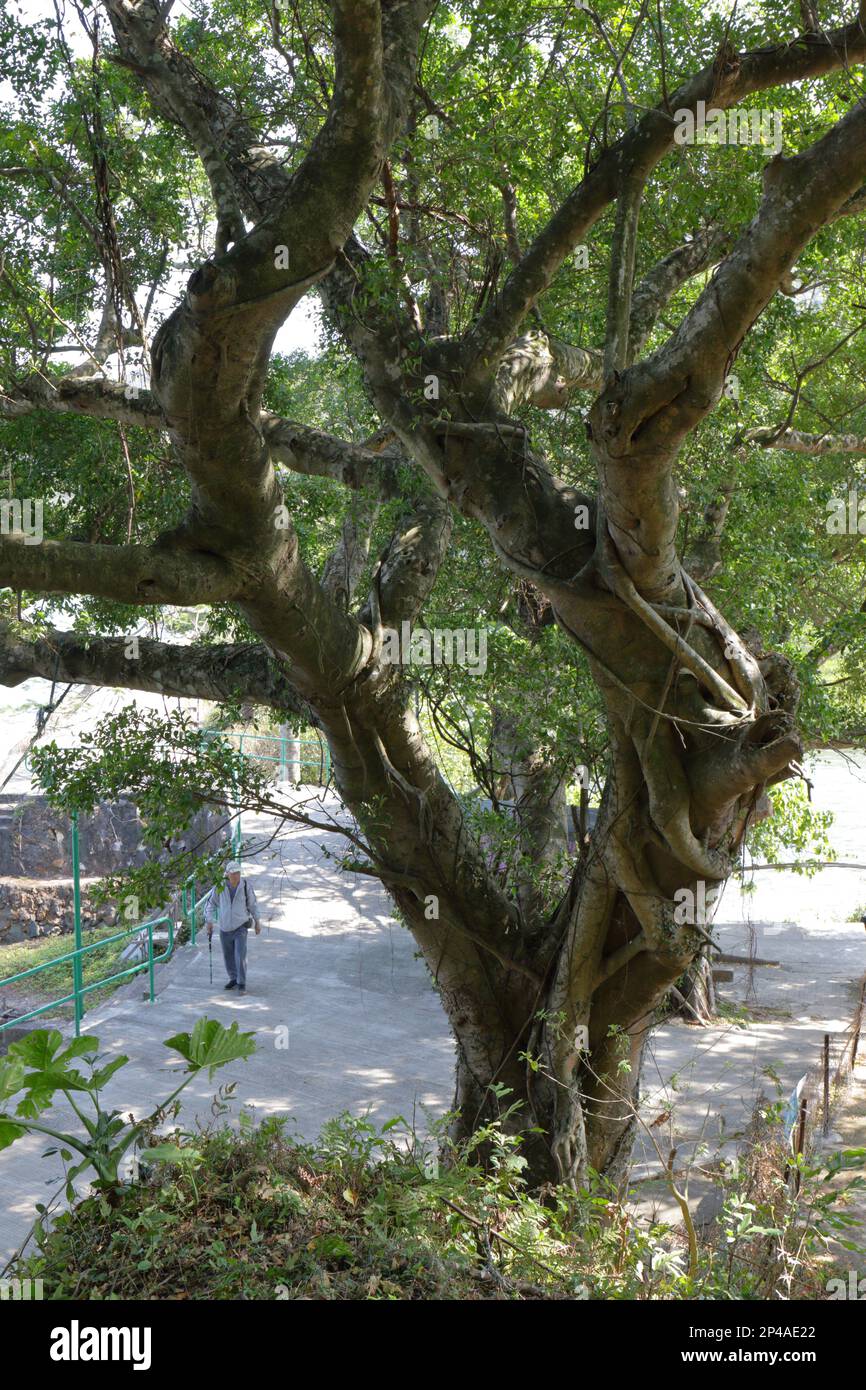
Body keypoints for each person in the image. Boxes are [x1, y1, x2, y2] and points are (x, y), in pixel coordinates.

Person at [204, 860, 261, 995]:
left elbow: (253, 904)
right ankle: (233, 978)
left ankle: (242, 983)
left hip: (240, 926)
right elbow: (210, 903)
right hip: (224, 927)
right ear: (227, 874)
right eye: (233, 873)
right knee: (228, 956)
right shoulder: (220, 886)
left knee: (240, 956)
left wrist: (257, 921)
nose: (236, 876)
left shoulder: (245, 886)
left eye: (238, 873)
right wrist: (209, 921)